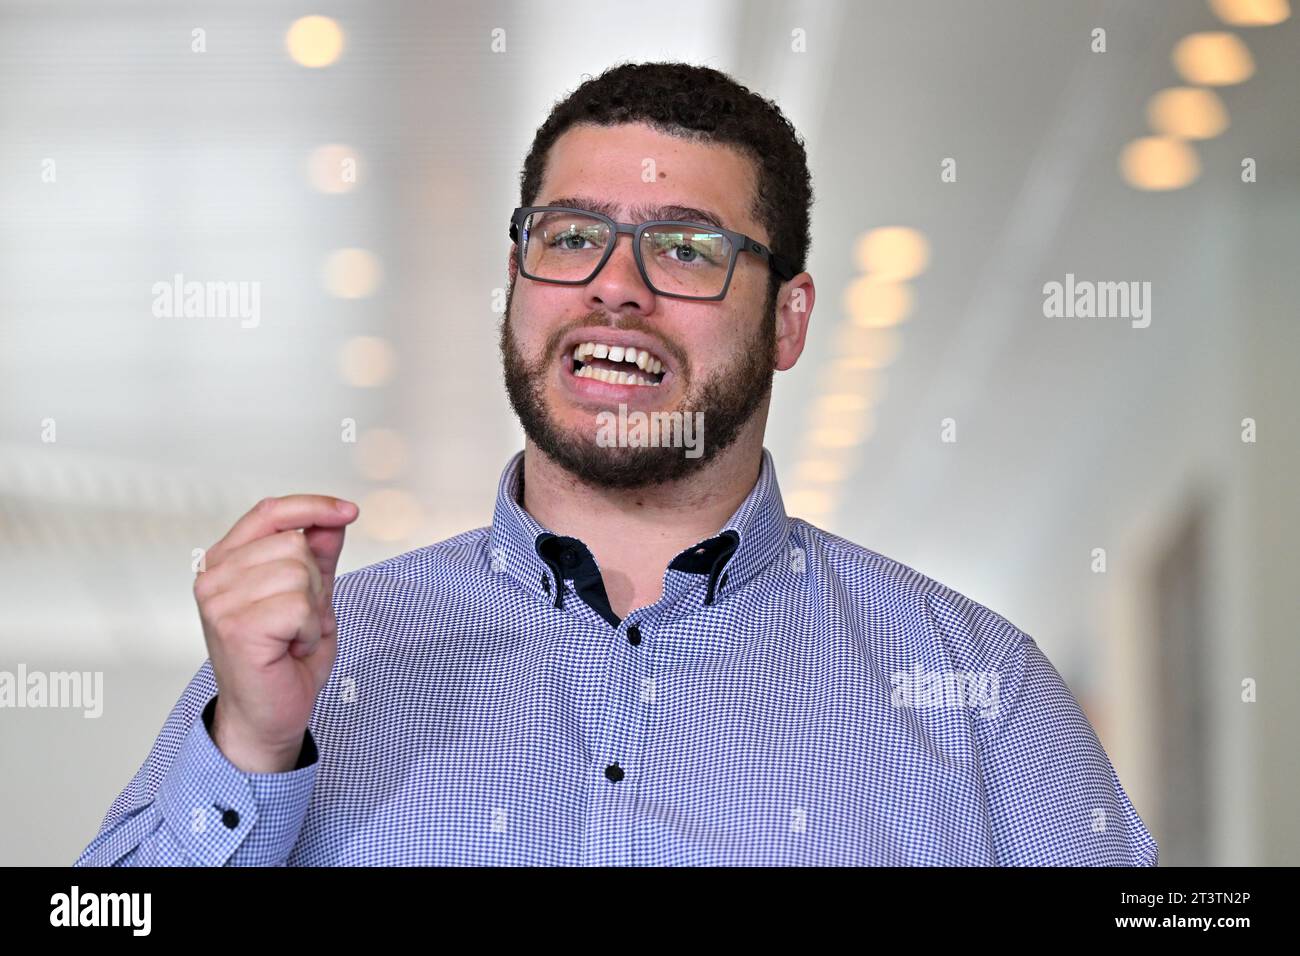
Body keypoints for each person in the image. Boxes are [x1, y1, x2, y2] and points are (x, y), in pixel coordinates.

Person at [76, 61, 1157, 866]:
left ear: (788, 318)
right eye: (571, 234)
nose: (615, 286)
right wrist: (252, 748)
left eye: (686, 248)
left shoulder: (980, 695)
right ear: (516, 274)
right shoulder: (303, 674)